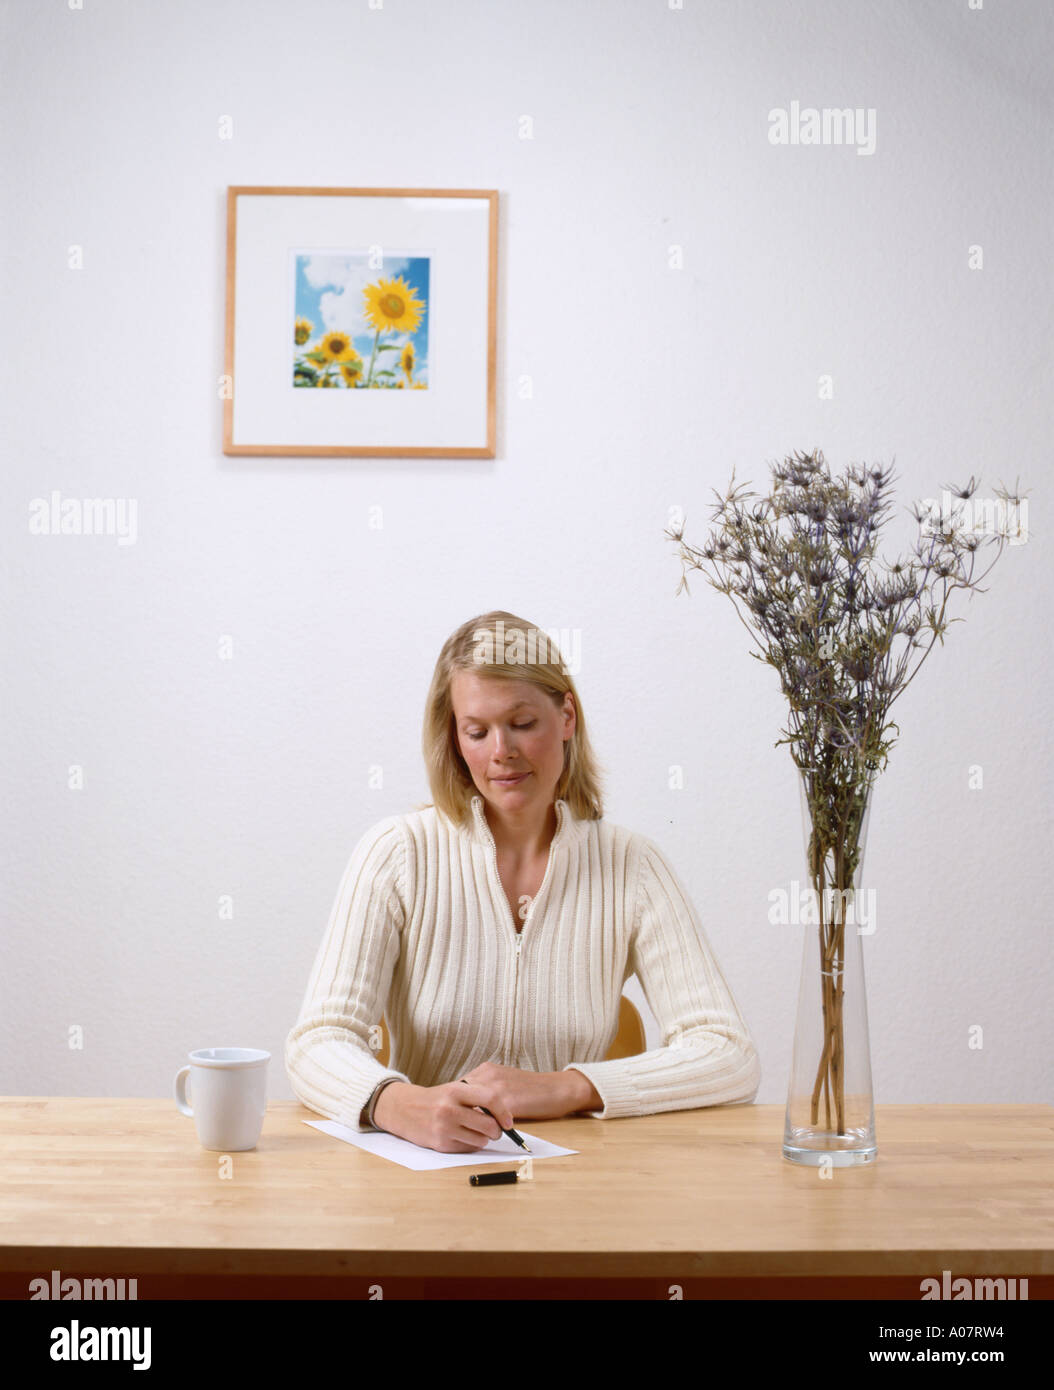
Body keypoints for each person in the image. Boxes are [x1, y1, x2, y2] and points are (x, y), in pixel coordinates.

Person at [285, 610, 761, 1153]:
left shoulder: (633, 866)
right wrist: (398, 1104)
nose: (501, 752)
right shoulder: (397, 855)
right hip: (422, 1181)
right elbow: (317, 1041)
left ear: (566, 717)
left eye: (522, 723)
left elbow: (729, 1054)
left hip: (579, 1185)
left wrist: (568, 1088)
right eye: (477, 731)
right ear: (454, 739)